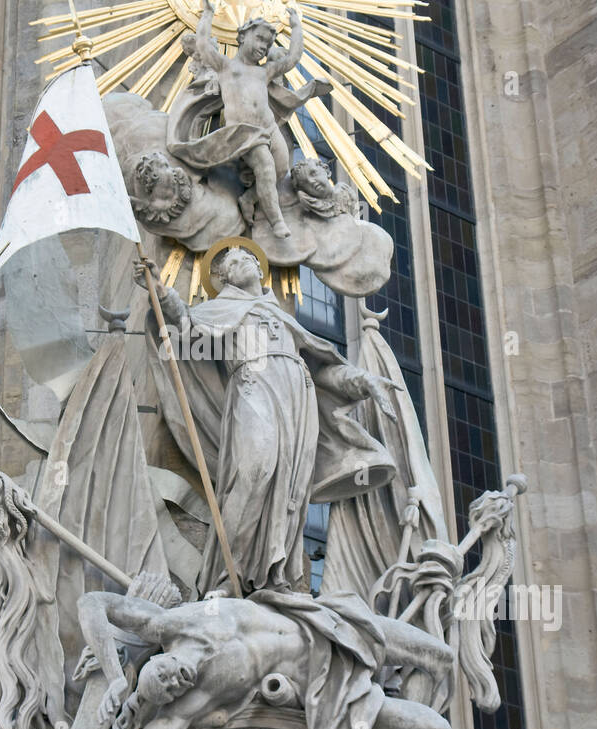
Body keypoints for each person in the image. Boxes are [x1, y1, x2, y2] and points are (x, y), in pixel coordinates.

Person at [39, 571, 467, 729]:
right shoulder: (199, 697)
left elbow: (93, 603)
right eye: (168, 690)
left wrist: (117, 678)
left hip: (331, 621)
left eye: (163, 674)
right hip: (333, 686)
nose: (174, 681)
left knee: (442, 657)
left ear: (162, 656)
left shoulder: (176, 622)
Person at [135, 245, 401, 597]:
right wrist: (162, 289)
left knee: (291, 488)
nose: (244, 260)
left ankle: (277, 577)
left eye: (247, 257)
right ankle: (227, 577)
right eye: (232, 261)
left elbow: (325, 371)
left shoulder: (281, 315)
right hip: (253, 388)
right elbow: (184, 323)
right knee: (254, 471)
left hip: (297, 397)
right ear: (223, 278)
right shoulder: (222, 309)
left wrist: (363, 381)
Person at [190, 0, 302, 237]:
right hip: (244, 133)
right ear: (242, 36)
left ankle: (249, 199)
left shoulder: (265, 71)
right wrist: (207, 14)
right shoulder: (226, 67)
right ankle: (277, 222)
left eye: (268, 44)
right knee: (265, 166)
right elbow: (202, 45)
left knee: (281, 168)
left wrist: (296, 27)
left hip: (269, 128)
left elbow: (292, 58)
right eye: (260, 38)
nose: (263, 46)